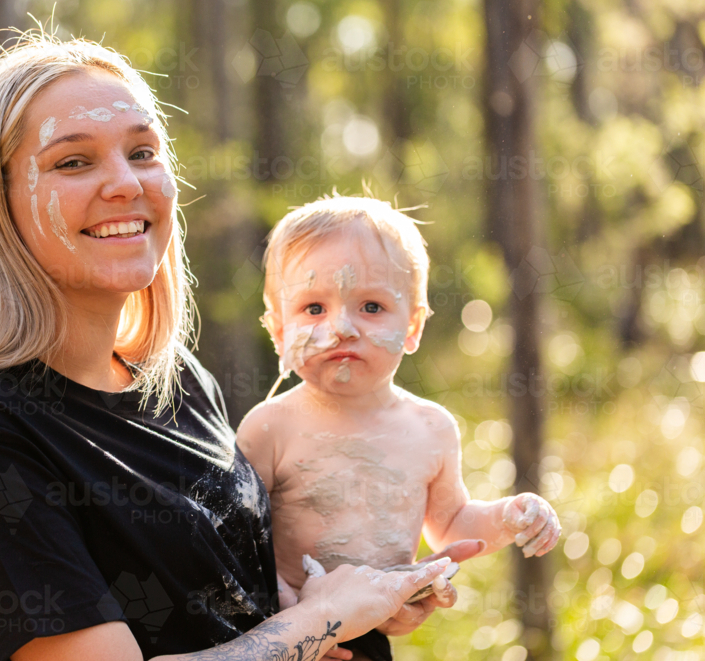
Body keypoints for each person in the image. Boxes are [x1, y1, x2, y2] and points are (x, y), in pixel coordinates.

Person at [0, 31, 466, 661]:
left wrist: (365, 590)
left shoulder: (177, 382)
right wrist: (320, 622)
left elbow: (242, 609)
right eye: (74, 161)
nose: (125, 183)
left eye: (143, 152)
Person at [235, 195, 563, 661]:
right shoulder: (269, 427)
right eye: (313, 308)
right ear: (278, 330)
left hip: (371, 638)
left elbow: (450, 525)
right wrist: (283, 608)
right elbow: (235, 539)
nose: (342, 327)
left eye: (371, 306)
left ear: (412, 327)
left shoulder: (430, 429)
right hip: (279, 630)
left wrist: (510, 516)